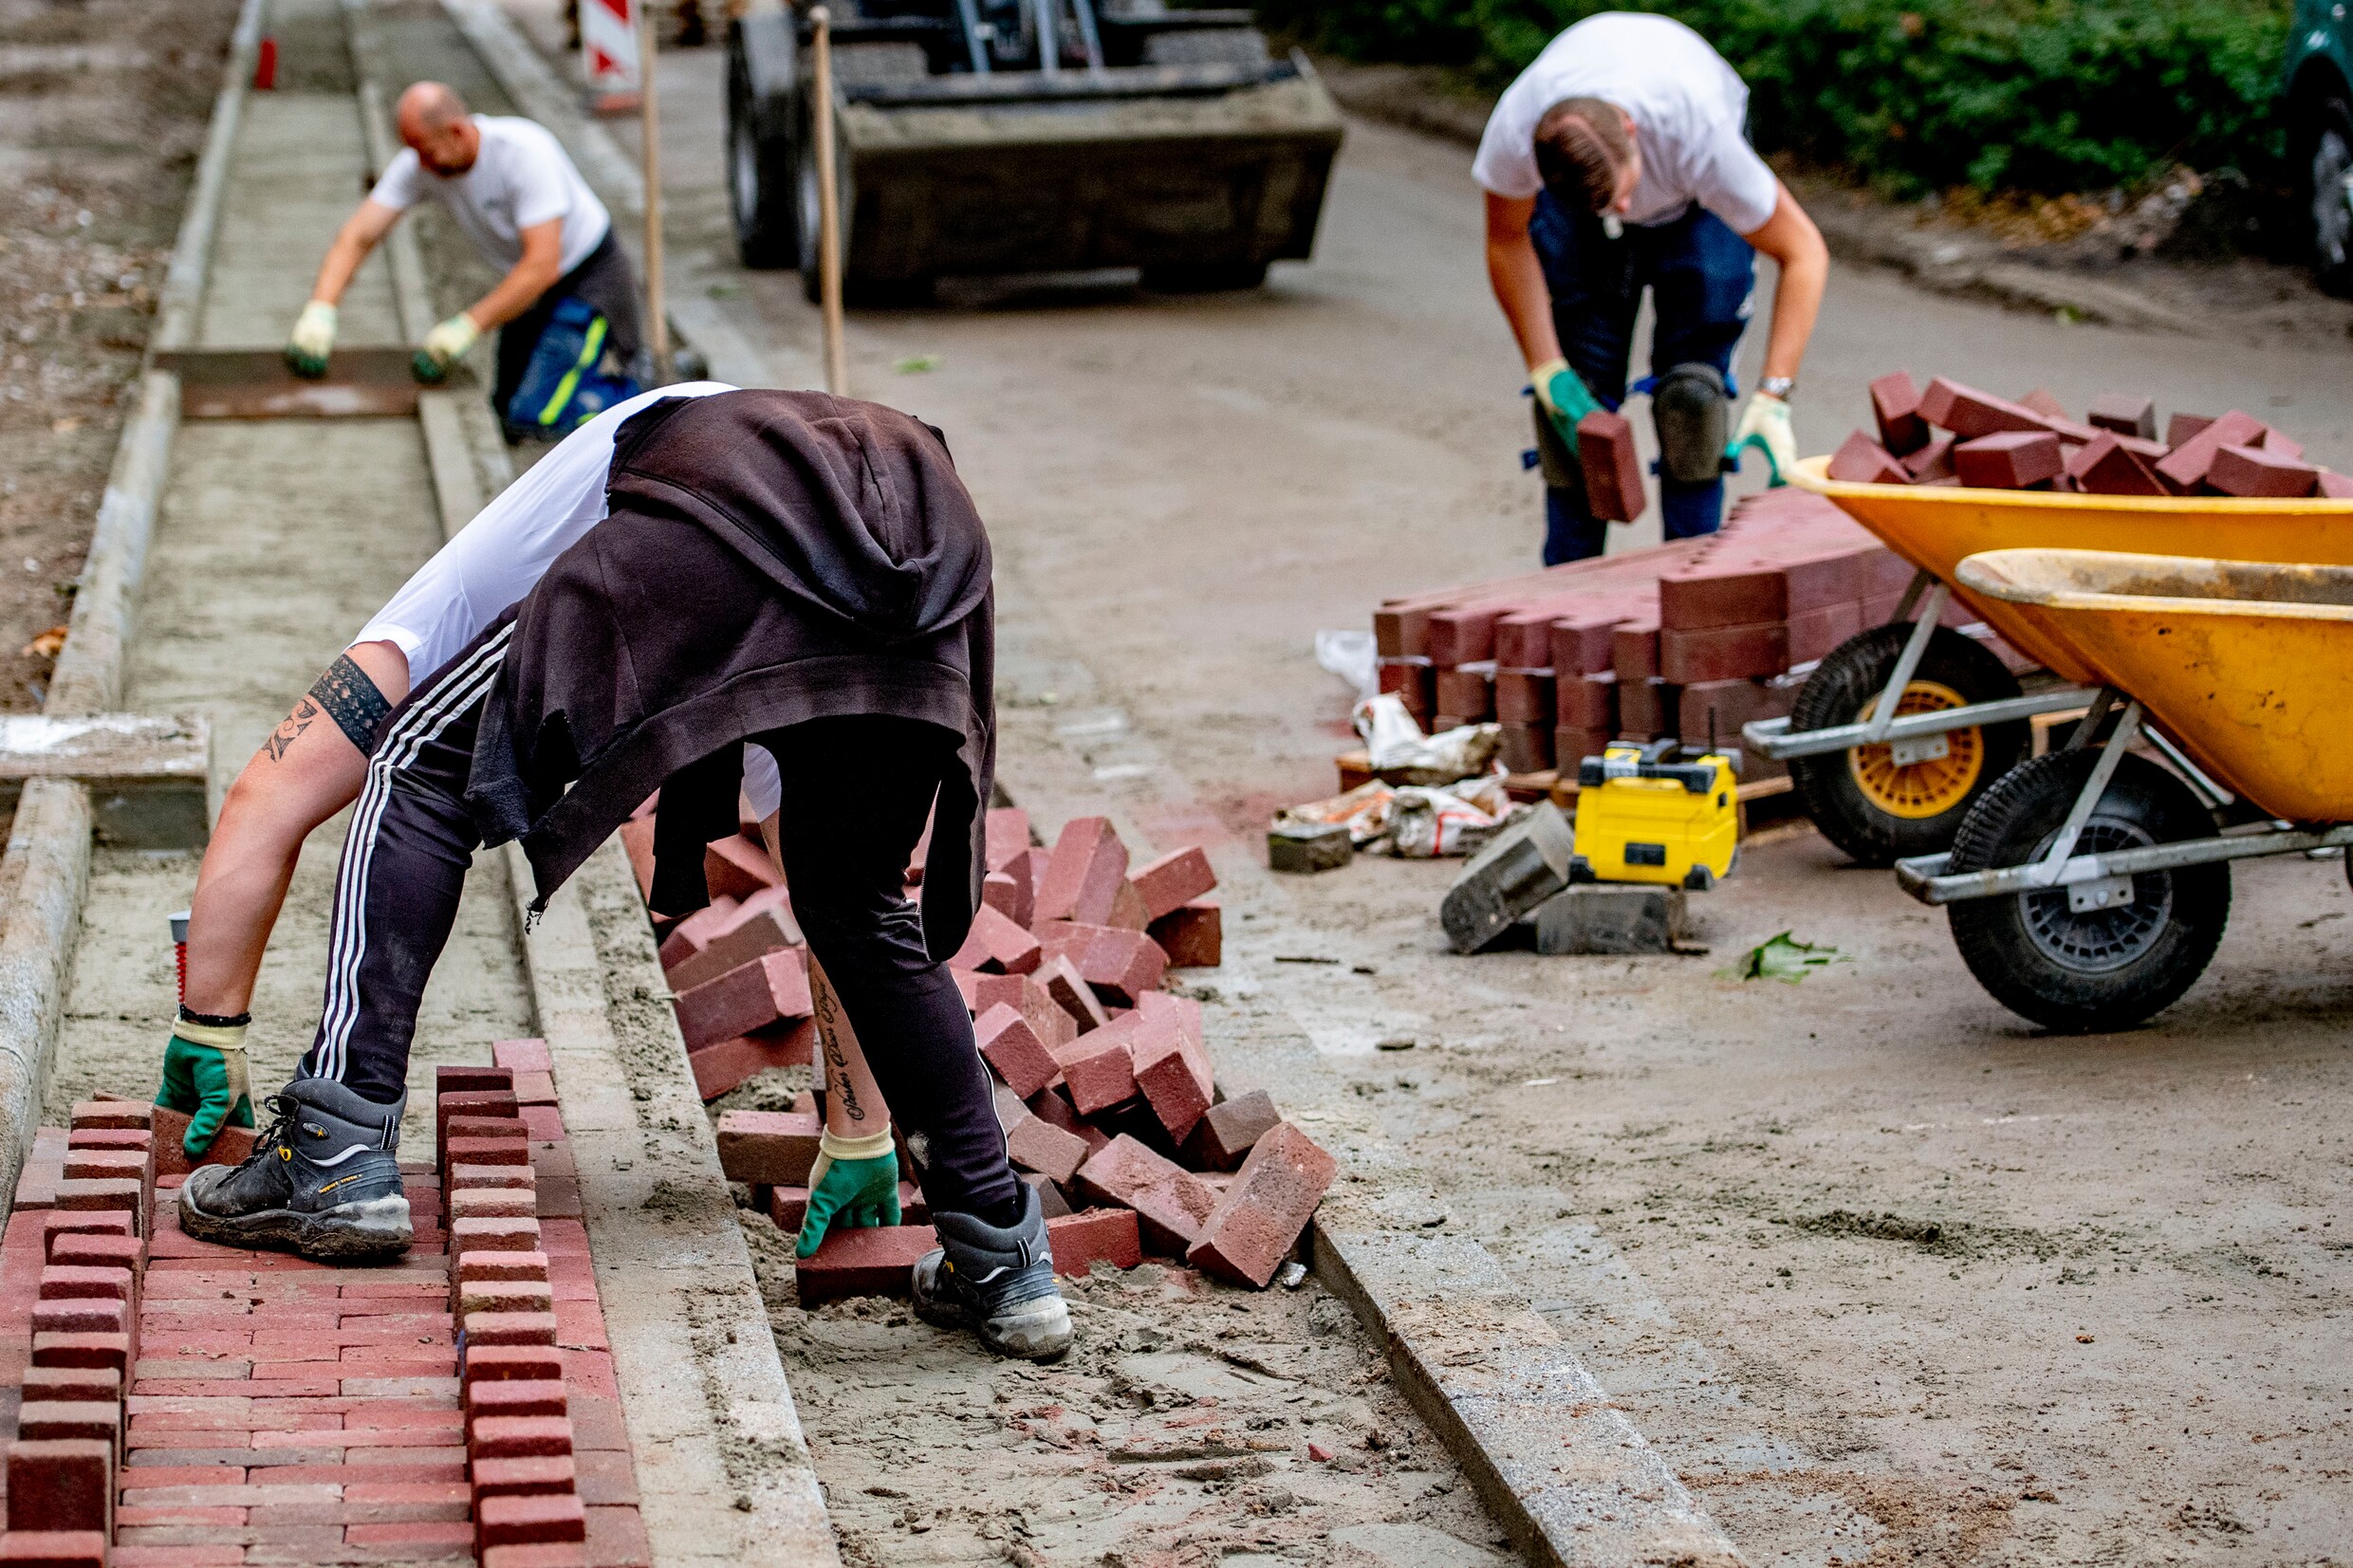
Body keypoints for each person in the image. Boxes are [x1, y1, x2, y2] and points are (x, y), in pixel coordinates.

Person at [168, 389, 1069, 1361]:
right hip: (936, 550)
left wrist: (207, 1022)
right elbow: (844, 903)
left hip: (762, 538)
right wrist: (857, 1130)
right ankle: (1005, 1259)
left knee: (418, 762)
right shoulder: (794, 513)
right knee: (856, 891)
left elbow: (276, 785)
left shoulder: (551, 544)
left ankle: (335, 1149)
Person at [1476, 11, 1828, 564]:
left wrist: (1773, 396)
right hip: (1583, 210)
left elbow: (1803, 251)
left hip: (1692, 204)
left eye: (1622, 196)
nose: (1622, 211)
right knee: (1577, 409)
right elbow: (1506, 239)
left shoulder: (1699, 135)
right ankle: (1571, 590)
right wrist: (1546, 368)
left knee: (1692, 399)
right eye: (1606, 206)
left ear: (1631, 131)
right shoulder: (1517, 134)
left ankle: (1691, 580)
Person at [283, 82, 644, 440]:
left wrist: (467, 326)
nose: (421, 164)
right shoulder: (422, 163)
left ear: (456, 131)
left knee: (534, 415)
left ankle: (642, 404)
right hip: (526, 283)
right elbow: (359, 236)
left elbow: (542, 265)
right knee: (503, 409)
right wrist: (321, 309)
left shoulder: (523, 154)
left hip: (587, 281)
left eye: (426, 152)